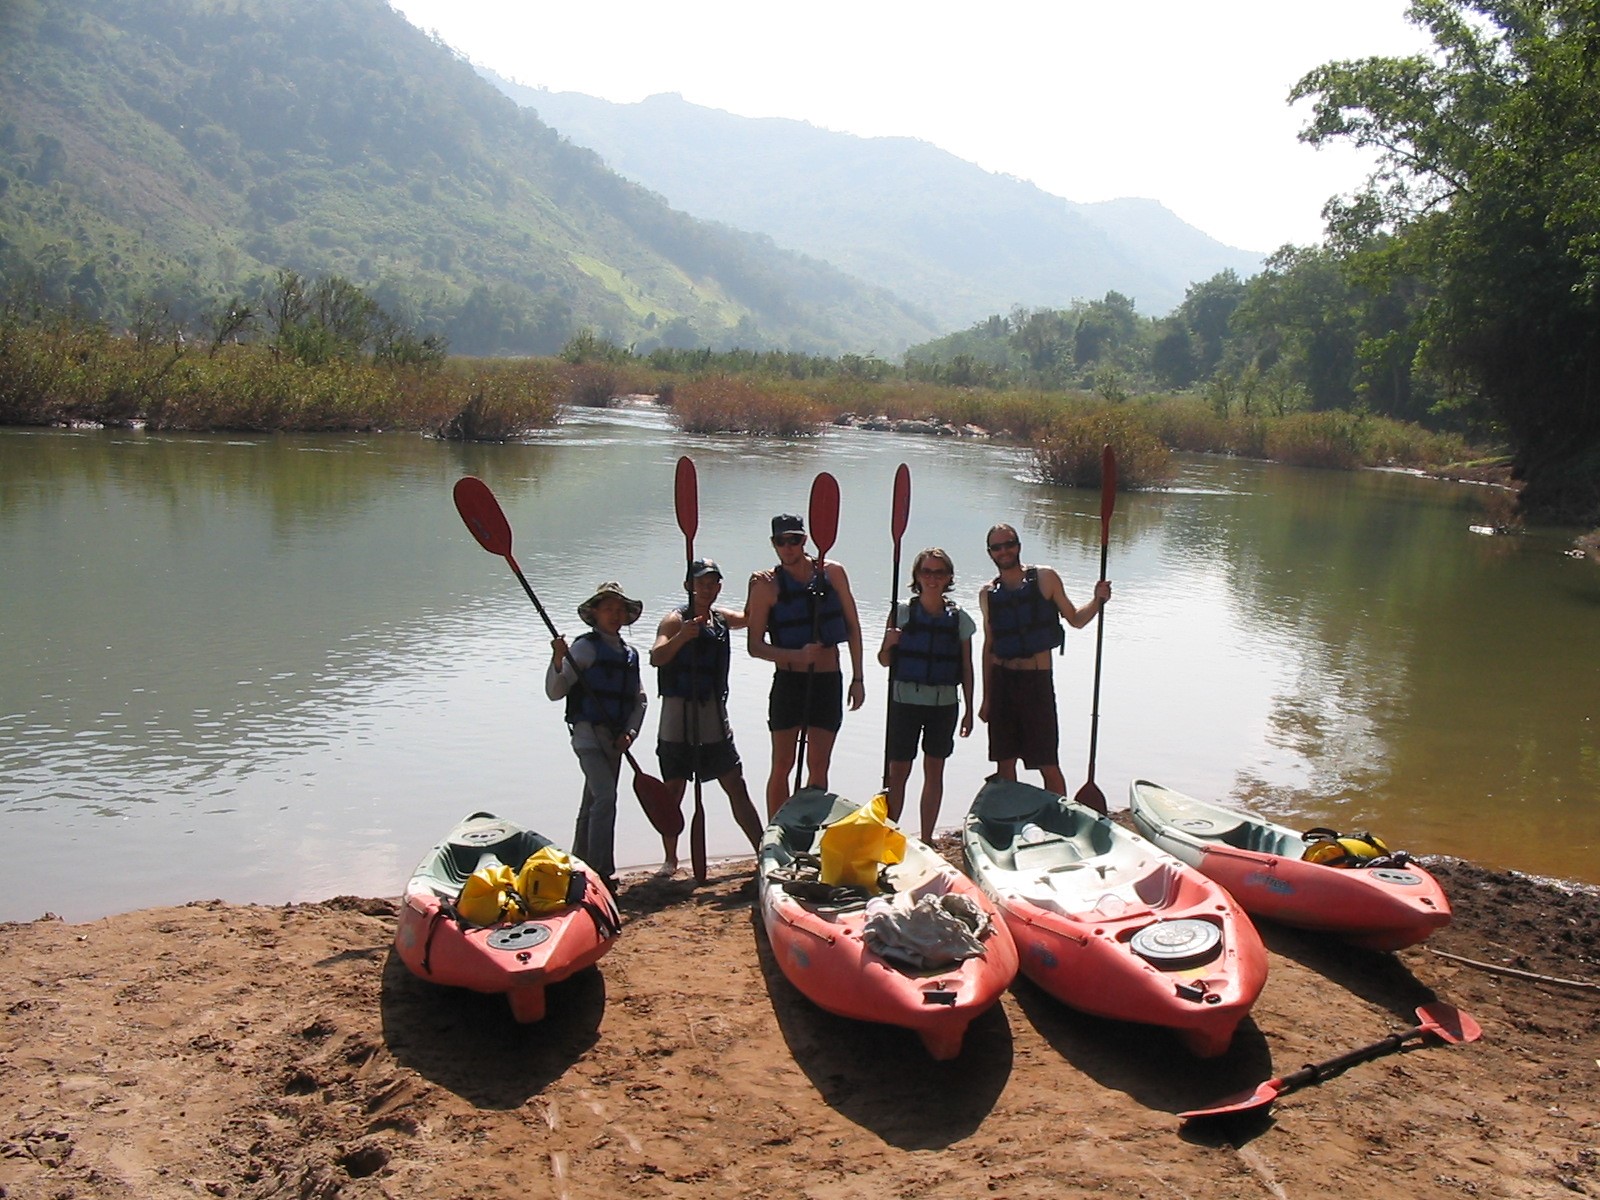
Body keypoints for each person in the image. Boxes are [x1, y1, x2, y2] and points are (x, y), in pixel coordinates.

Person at [649, 558, 765, 873]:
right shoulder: (675, 620)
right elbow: (657, 657)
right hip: (677, 716)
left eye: (713, 583)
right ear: (689, 586)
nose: (707, 589)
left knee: (734, 782)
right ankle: (671, 859)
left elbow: (749, 618)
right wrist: (682, 638)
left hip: (713, 712)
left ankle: (763, 852)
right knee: (674, 788)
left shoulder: (720, 619)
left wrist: (755, 588)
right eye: (701, 583)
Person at [746, 512, 865, 817]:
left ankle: (808, 829)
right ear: (773, 544)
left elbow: (853, 626)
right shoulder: (765, 585)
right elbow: (754, 646)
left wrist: (858, 677)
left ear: (805, 541)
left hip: (828, 681)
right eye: (781, 541)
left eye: (794, 540)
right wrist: (796, 656)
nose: (788, 547)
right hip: (789, 683)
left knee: (819, 764)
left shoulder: (833, 573)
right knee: (782, 764)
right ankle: (774, 834)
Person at [977, 523, 1110, 797]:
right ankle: (1011, 816)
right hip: (1002, 682)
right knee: (1005, 760)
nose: (1004, 551)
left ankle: (1059, 815)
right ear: (990, 553)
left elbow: (1075, 619)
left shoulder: (1045, 578)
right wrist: (987, 698)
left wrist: (1097, 601)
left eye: (1009, 544)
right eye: (997, 547)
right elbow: (989, 647)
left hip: (1036, 681)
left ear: (1018, 545)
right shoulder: (988, 594)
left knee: (1047, 761)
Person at [545, 581, 648, 895]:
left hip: (615, 741)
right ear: (595, 613)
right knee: (605, 797)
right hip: (588, 737)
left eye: (619, 610)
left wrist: (630, 732)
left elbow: (639, 700)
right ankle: (602, 872)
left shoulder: (630, 654)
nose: (614, 615)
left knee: (592, 801)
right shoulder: (585, 648)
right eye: (608, 609)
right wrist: (558, 659)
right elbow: (555, 690)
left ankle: (579, 863)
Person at [878, 547, 975, 841]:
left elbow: (967, 668)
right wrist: (888, 643)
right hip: (905, 701)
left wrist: (970, 709)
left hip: (943, 704)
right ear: (917, 576)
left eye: (939, 572)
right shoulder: (902, 613)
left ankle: (927, 838)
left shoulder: (960, 619)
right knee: (899, 773)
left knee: (935, 771)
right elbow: (884, 660)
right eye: (927, 572)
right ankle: (889, 837)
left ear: (948, 577)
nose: (932, 578)